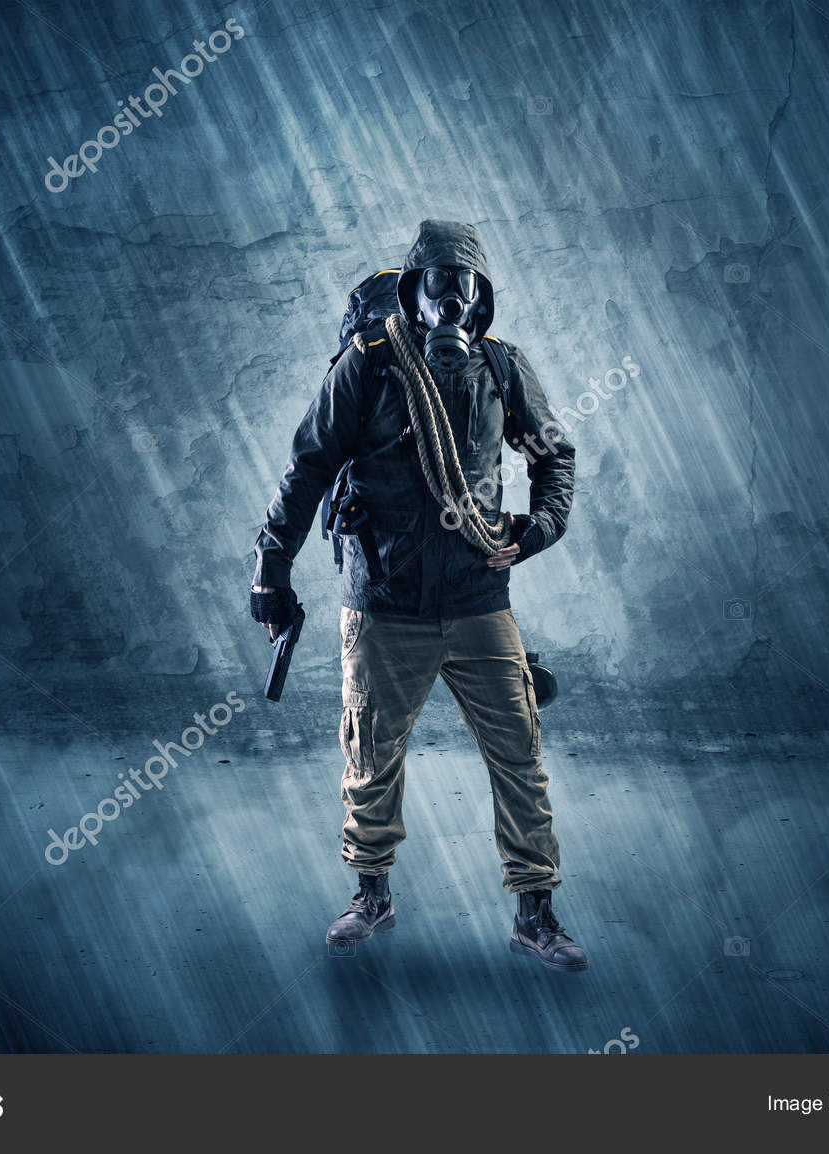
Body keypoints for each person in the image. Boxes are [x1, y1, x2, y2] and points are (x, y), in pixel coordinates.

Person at [250, 220, 586, 971]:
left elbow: (553, 458)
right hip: (383, 601)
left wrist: (537, 531)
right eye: (437, 288)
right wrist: (271, 564)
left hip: (477, 598)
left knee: (520, 757)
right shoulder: (369, 365)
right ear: (414, 293)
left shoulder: (501, 369)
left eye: (464, 292)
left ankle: (536, 912)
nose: (451, 308)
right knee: (370, 755)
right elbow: (307, 468)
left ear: (481, 300)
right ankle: (371, 895)